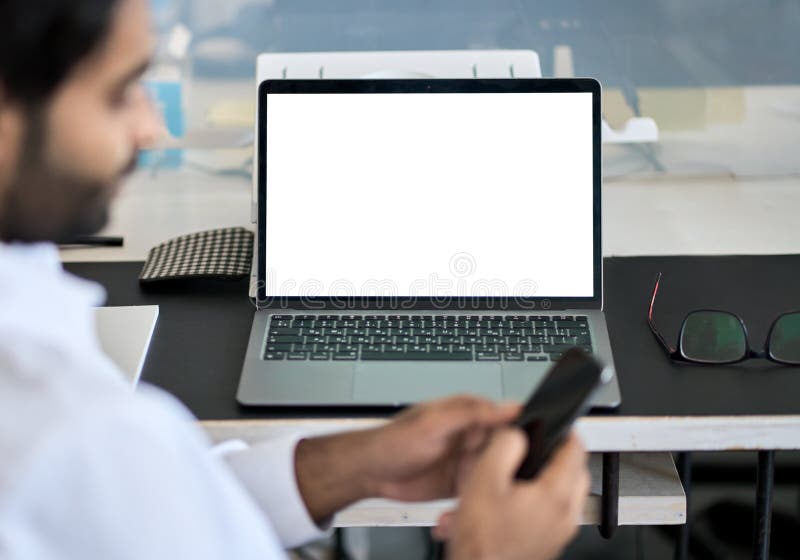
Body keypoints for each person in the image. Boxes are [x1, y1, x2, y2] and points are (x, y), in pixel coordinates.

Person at [0, 0, 590, 558]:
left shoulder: (70, 406)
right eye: (119, 93)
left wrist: (361, 462)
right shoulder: (73, 436)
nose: (151, 127)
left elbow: (148, 506)